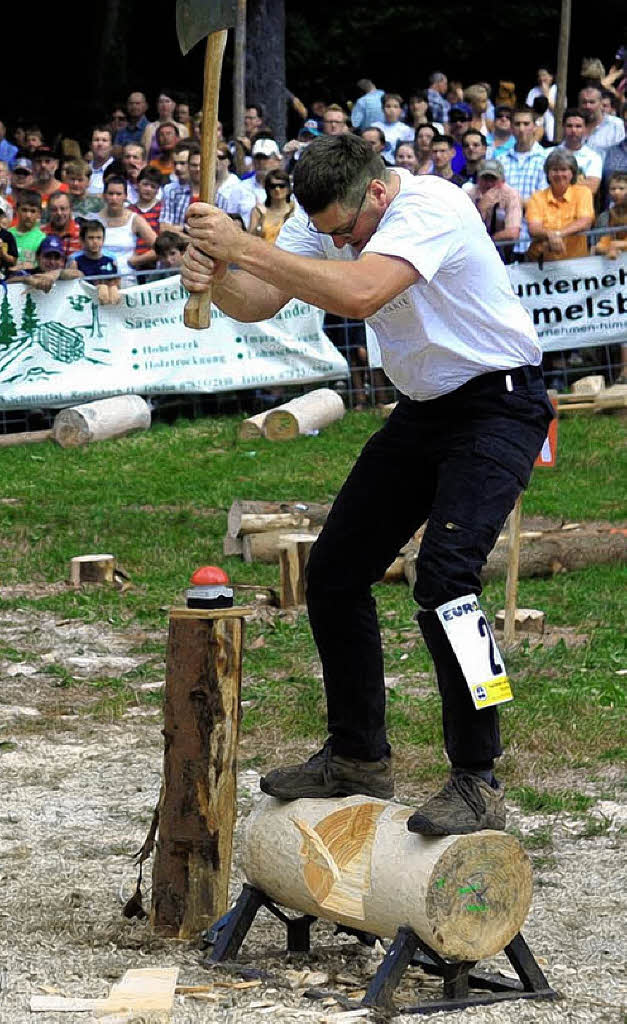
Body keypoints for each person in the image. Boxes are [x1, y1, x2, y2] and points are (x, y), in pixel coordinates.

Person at [181, 133, 553, 835]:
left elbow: (360, 294)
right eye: (328, 236)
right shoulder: (326, 215)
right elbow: (258, 298)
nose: (341, 245)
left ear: (378, 191)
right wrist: (216, 273)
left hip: (499, 405)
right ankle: (357, 756)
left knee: (447, 582)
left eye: (348, 231)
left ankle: (478, 778)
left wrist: (241, 244)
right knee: (334, 571)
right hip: (423, 411)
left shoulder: (431, 204)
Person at [526, 149, 594, 262]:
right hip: (542, 262)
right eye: (554, 170)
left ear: (572, 173)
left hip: (576, 263)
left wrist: (557, 234)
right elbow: (534, 228)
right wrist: (551, 235)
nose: (559, 174)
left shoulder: (583, 192)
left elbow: (585, 222)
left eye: (564, 169)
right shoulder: (537, 197)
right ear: (547, 173)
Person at [501, 107, 547, 259]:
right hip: (506, 240)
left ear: (535, 126)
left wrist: (511, 202)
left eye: (526, 124)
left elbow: (543, 202)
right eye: (517, 124)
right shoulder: (500, 160)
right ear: (511, 127)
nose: (522, 129)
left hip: (535, 239)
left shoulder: (546, 159)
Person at [99, 175, 157, 283]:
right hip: (99, 279)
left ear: (125, 196)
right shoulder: (95, 220)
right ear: (104, 195)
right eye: (110, 194)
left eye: (118, 194)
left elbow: (160, 248)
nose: (114, 198)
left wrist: (138, 260)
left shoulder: (135, 220)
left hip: (127, 279)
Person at [466, 159, 522, 262]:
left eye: (493, 179)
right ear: (478, 180)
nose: (489, 184)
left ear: (502, 181)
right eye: (485, 179)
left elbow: (513, 232)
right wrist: (481, 208)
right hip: (474, 251)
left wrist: (488, 241)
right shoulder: (469, 194)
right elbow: (466, 230)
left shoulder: (511, 194)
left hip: (501, 249)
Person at [68, 218, 121, 304]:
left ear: (103, 240)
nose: (95, 241)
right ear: (82, 240)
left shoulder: (111, 261)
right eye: (91, 238)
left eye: (99, 238)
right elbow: (72, 290)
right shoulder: (75, 262)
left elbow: (119, 287)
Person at [7, 233, 81, 291]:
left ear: (62, 261)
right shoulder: (27, 273)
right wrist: (26, 280)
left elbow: (79, 274)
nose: (52, 262)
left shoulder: (65, 276)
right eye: (47, 256)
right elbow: (6, 281)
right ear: (38, 257)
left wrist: (56, 274)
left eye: (57, 258)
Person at [557, 109, 603, 197]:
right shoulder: (548, 154)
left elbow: (591, 189)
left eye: (578, 126)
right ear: (563, 127)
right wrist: (578, 181)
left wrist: (558, 181)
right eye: (569, 126)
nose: (573, 130)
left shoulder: (593, 157)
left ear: (585, 129)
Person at [159, 140, 198, 233]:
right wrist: (187, 230)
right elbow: (164, 227)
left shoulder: (212, 189)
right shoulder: (170, 190)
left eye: (183, 163)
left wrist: (179, 229)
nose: (178, 168)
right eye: (175, 163)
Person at [141, 90, 189, 161]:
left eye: (167, 101)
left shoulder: (182, 129)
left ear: (174, 105)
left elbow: (186, 154)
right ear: (157, 105)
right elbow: (144, 154)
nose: (164, 105)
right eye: (161, 102)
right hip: (154, 168)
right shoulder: (149, 127)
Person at [580, 85, 625, 160]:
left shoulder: (615, 124)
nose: (588, 106)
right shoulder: (575, 125)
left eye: (592, 102)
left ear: (600, 104)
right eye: (584, 102)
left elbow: (621, 154)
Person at [249, 169, 294, 243]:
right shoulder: (258, 211)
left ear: (288, 188)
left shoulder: (295, 210)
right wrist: (261, 219)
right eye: (273, 186)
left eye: (281, 186)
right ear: (267, 189)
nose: (277, 189)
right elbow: (250, 240)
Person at [8, 190, 46, 269]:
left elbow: (44, 266)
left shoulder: (42, 238)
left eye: (33, 211)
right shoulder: (7, 234)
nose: (28, 215)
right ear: (16, 210)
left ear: (39, 213)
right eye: (24, 210)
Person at [372, 94, 414, 164]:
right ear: (382, 109)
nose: (392, 110)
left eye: (395, 107)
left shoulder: (406, 130)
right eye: (388, 106)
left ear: (400, 110)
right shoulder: (375, 127)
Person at [43, 191, 81, 260]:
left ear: (70, 209)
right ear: (48, 211)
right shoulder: (41, 233)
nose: (59, 213)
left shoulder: (81, 233)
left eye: (63, 209)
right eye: (54, 210)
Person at [525, 68, 558, 142]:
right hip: (537, 124)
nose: (541, 78)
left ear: (551, 77)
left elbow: (558, 111)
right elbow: (528, 110)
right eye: (539, 76)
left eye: (544, 75)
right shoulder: (534, 91)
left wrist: (546, 94)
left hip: (553, 125)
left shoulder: (557, 90)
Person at [88, 126, 117, 195]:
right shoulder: (84, 168)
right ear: (90, 145)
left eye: (104, 140)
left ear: (111, 146)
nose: (100, 144)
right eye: (96, 140)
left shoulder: (118, 169)